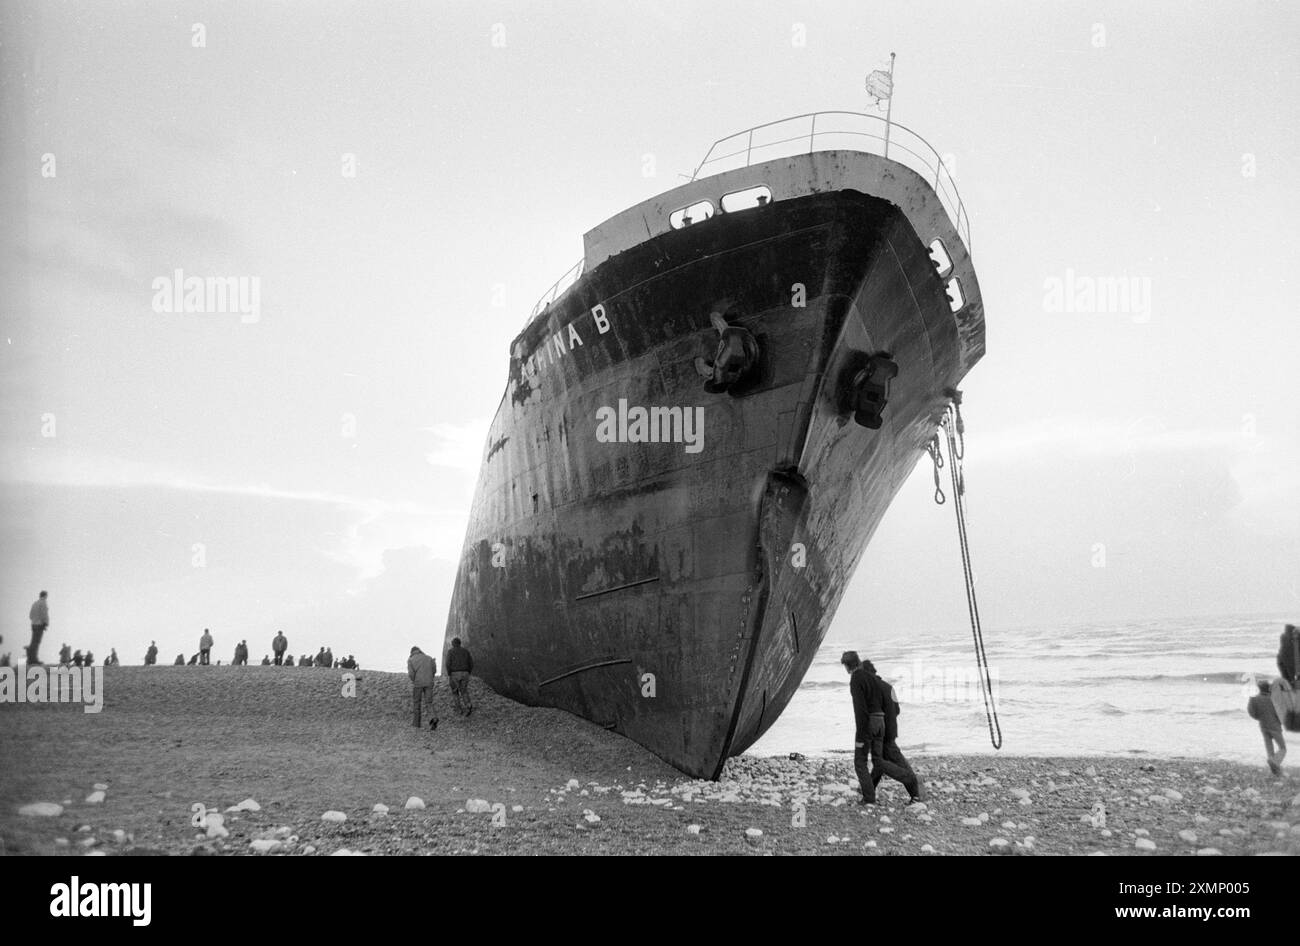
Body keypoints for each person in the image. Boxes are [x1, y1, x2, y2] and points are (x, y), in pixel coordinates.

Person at [841, 650, 916, 805]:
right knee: (878, 762)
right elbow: (896, 710)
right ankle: (904, 781)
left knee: (866, 762)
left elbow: (860, 708)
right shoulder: (885, 685)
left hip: (874, 727)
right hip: (885, 727)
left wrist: (862, 733)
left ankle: (910, 785)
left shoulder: (859, 679)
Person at [866, 660, 923, 802]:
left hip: (879, 733)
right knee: (880, 762)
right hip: (890, 730)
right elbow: (897, 710)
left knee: (895, 763)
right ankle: (868, 795)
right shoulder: (889, 687)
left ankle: (916, 792)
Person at [1248, 679, 1287, 775]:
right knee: (1282, 748)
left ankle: (1275, 770)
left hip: (1263, 725)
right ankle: (1275, 762)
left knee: (1269, 748)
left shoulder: (1254, 699)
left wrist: (1259, 718)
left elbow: (1252, 713)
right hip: (1275, 726)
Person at [408, 646, 438, 730]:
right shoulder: (429, 658)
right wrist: (430, 677)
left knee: (417, 702)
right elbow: (434, 670)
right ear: (420, 651)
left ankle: (416, 724)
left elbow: (411, 674)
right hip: (429, 682)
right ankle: (433, 718)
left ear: (412, 653)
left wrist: (415, 680)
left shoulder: (411, 660)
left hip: (418, 683)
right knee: (429, 702)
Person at [445, 637, 474, 716]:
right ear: (460, 643)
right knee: (464, 691)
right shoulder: (466, 651)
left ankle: (459, 710)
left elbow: (447, 663)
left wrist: (449, 673)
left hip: (454, 673)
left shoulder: (450, 651)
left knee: (455, 692)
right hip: (465, 673)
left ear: (453, 644)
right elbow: (471, 663)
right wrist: (468, 672)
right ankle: (468, 705)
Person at [27, 590, 50, 664]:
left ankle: (30, 658)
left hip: (33, 624)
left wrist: (35, 620)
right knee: (36, 642)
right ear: (45, 595)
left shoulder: (35, 603)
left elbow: (30, 616)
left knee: (33, 642)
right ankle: (34, 659)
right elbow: (44, 614)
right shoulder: (43, 603)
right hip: (40, 625)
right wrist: (45, 623)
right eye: (47, 596)